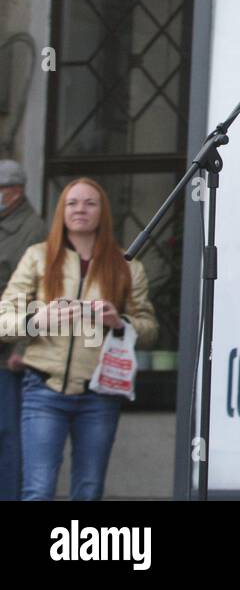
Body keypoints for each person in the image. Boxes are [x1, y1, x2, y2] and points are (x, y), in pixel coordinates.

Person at [0, 178, 157, 500]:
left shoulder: (127, 266)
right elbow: (4, 321)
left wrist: (120, 322)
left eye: (90, 203)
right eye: (72, 203)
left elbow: (150, 329)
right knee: (38, 489)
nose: (80, 209)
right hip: (43, 388)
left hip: (100, 392)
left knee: (88, 489)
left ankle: (77, 550)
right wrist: (36, 320)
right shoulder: (38, 257)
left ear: (103, 212)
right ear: (62, 211)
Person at [0, 160, 47, 500]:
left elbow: (38, 294)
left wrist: (22, 348)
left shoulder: (33, 231)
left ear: (13, 192)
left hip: (7, 356)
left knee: (9, 438)